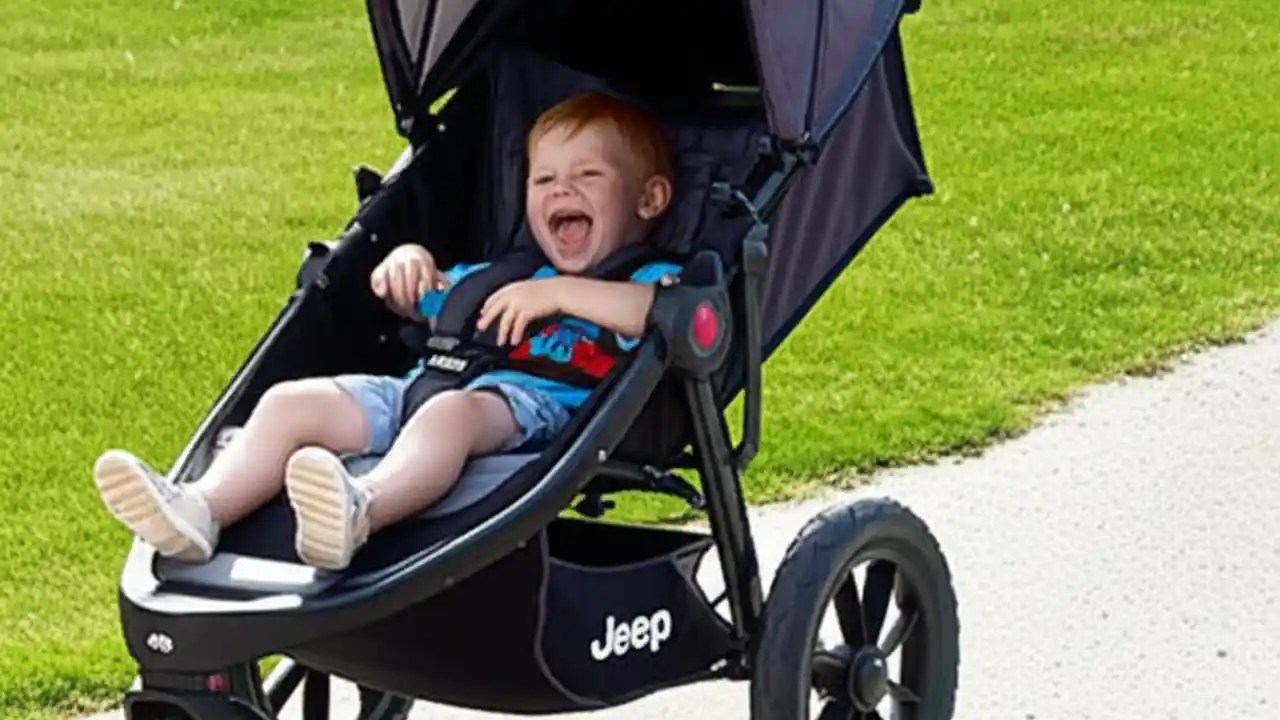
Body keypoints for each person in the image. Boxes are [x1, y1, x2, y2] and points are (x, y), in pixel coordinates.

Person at [92, 92, 682, 571]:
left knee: (448, 416)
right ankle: (201, 509)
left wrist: (558, 294)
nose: (561, 190)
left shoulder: (649, 277)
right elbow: (424, 302)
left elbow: (658, 313)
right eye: (544, 179)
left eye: (587, 175)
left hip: (529, 409)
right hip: (419, 389)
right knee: (289, 402)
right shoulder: (505, 272)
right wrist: (404, 264)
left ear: (650, 198)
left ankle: (363, 509)